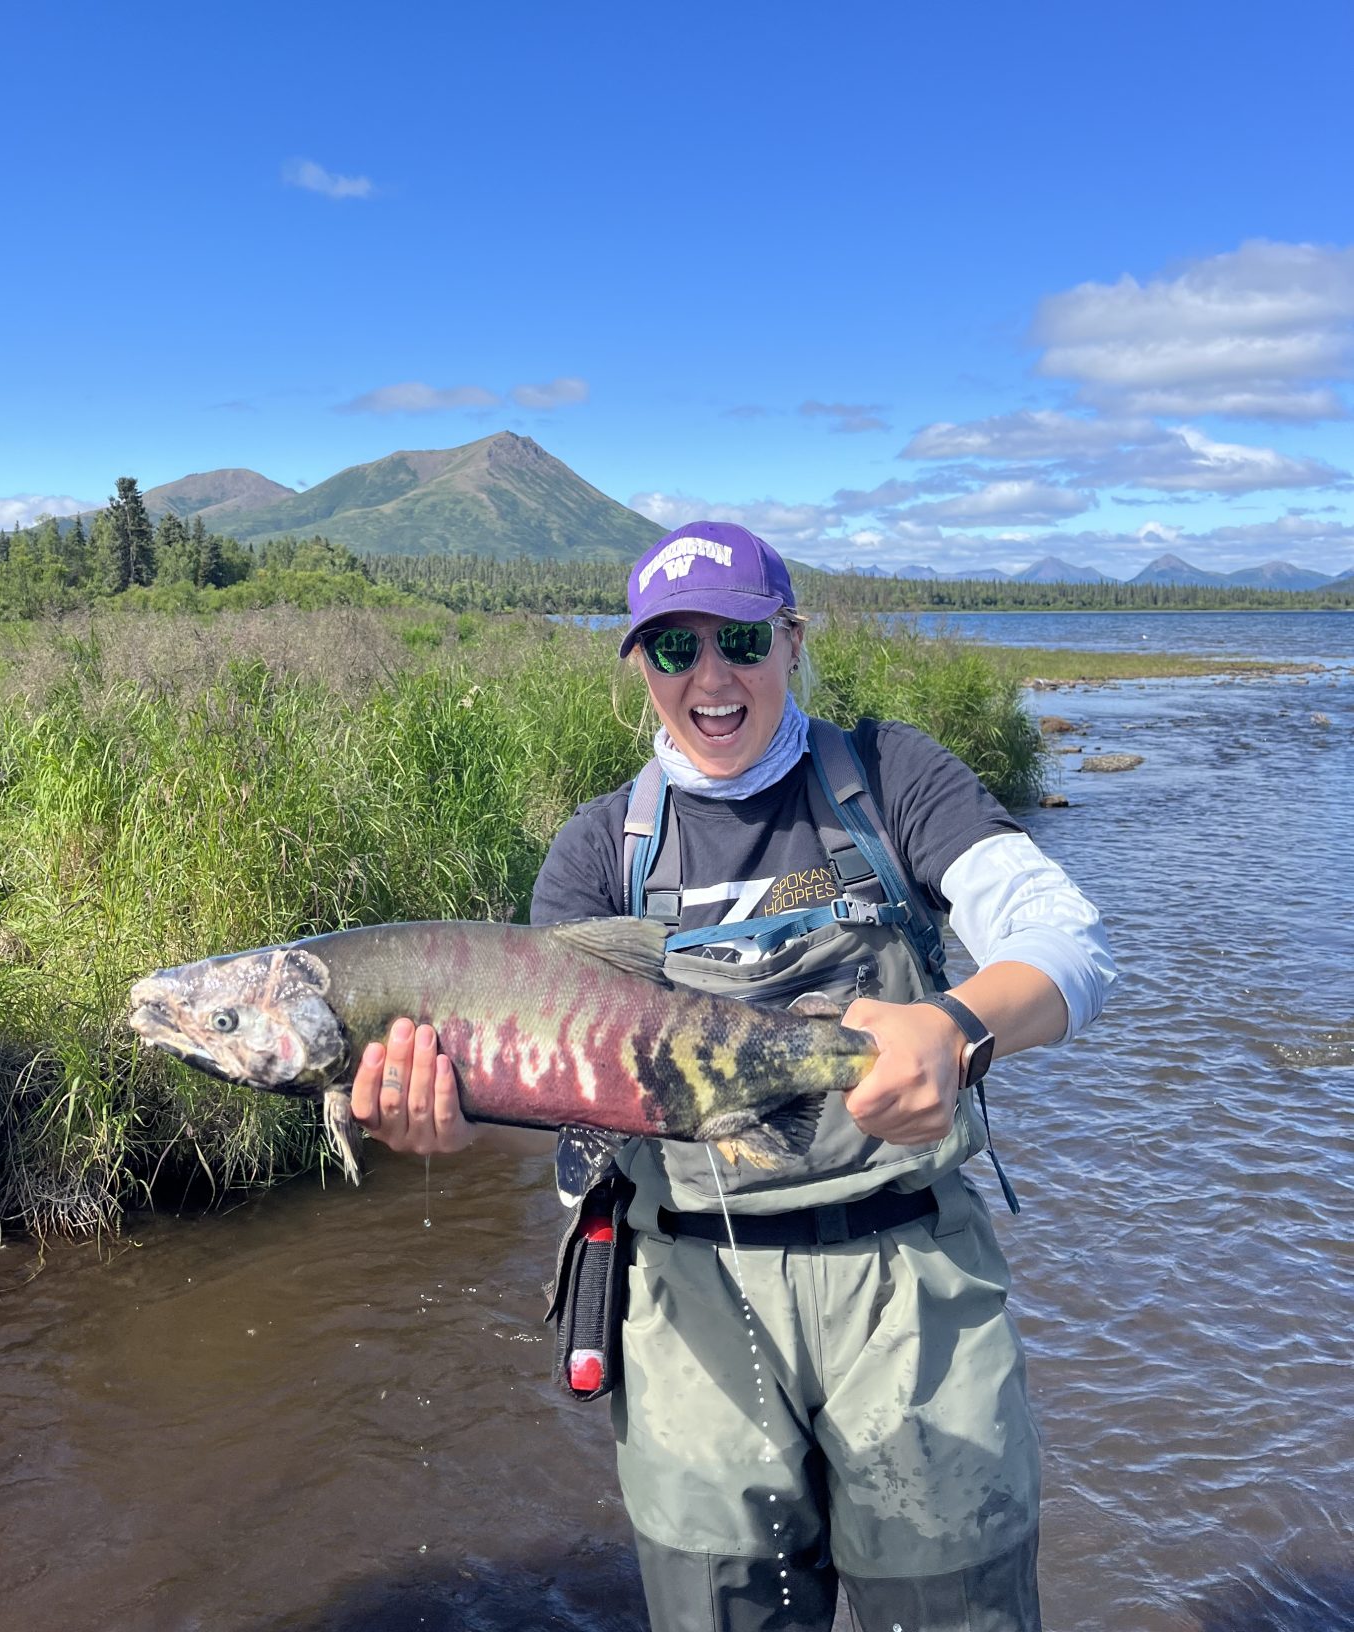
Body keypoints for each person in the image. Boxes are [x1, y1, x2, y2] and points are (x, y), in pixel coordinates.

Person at [350, 520, 1115, 1632]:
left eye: (742, 639)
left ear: (792, 639)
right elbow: (571, 1110)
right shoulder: (599, 851)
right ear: (639, 667)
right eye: (674, 648)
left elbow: (1070, 941)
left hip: (909, 1286)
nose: (712, 677)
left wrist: (957, 1026)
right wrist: (455, 1122)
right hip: (688, 1303)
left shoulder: (889, 779)